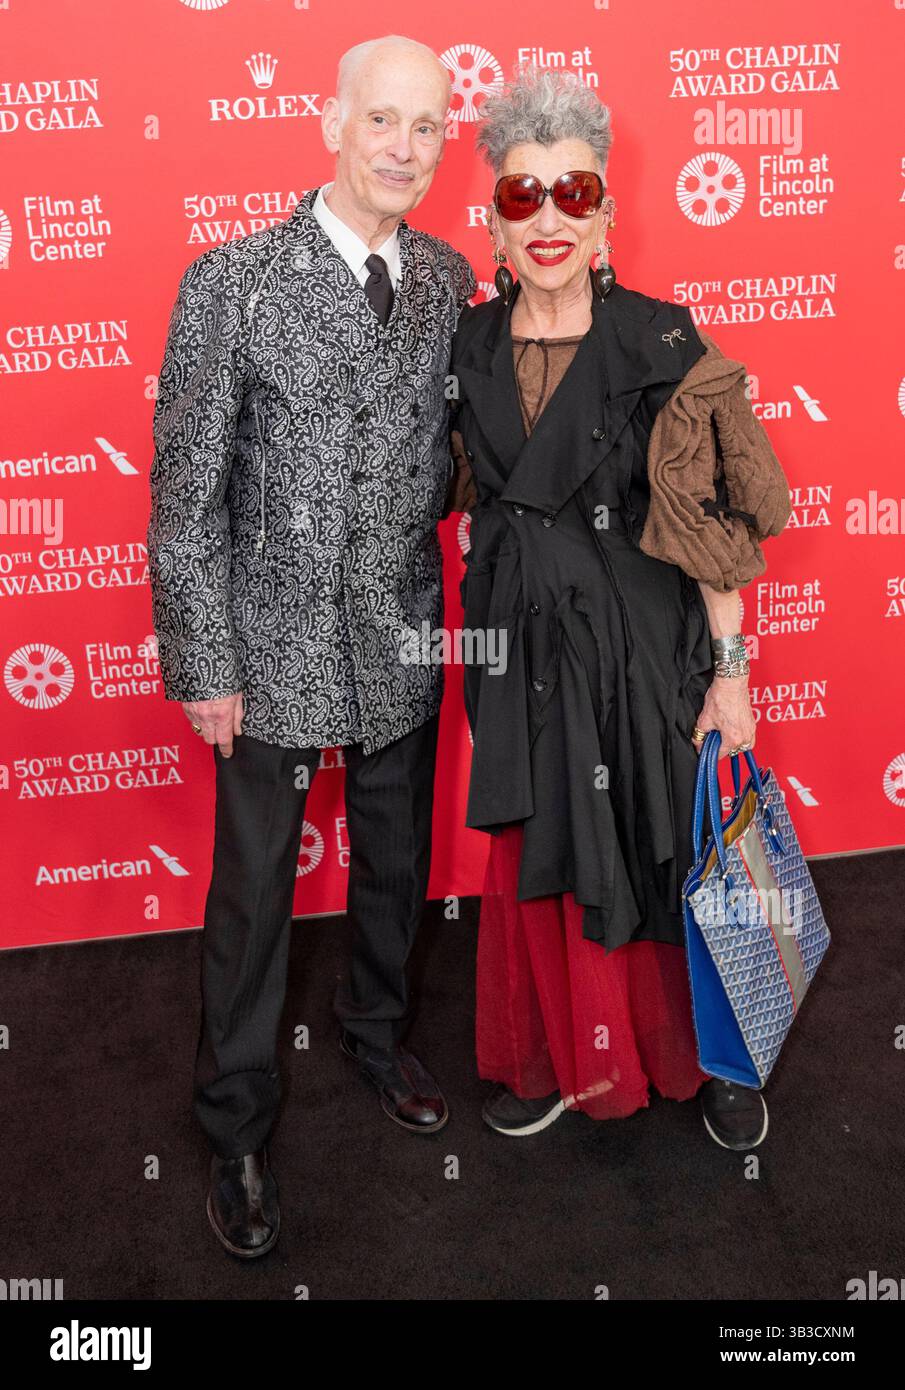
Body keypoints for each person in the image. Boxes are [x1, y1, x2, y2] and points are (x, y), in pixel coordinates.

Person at [147, 35, 476, 1258]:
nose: (402, 147)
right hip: (267, 639)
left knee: (395, 860)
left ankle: (377, 1034)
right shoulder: (230, 280)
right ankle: (233, 1118)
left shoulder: (447, 279)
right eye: (382, 121)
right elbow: (184, 498)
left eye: (426, 128)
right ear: (331, 122)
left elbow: (451, 447)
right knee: (253, 892)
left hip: (397, 625)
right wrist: (207, 659)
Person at [448, 66, 792, 1150]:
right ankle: (557, 1054)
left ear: (604, 209)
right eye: (520, 195)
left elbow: (719, 525)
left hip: (648, 652)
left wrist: (730, 678)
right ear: (490, 219)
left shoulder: (661, 343)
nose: (546, 218)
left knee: (667, 843)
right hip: (520, 649)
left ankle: (716, 1061)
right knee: (542, 843)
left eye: (571, 191)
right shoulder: (461, 347)